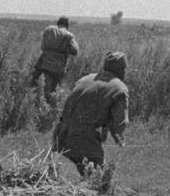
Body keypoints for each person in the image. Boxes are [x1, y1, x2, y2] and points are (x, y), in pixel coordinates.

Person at [54, 51, 129, 179]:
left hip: (61, 134)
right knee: (99, 180)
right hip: (84, 139)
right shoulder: (119, 88)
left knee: (87, 174)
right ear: (122, 70)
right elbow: (120, 123)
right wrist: (120, 139)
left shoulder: (86, 78)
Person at [31, 16, 80, 107]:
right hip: (58, 66)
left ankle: (35, 104)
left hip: (42, 62)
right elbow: (75, 50)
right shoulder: (68, 35)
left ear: (58, 22)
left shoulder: (48, 29)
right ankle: (52, 107)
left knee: (34, 84)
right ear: (67, 25)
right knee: (56, 89)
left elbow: (42, 46)